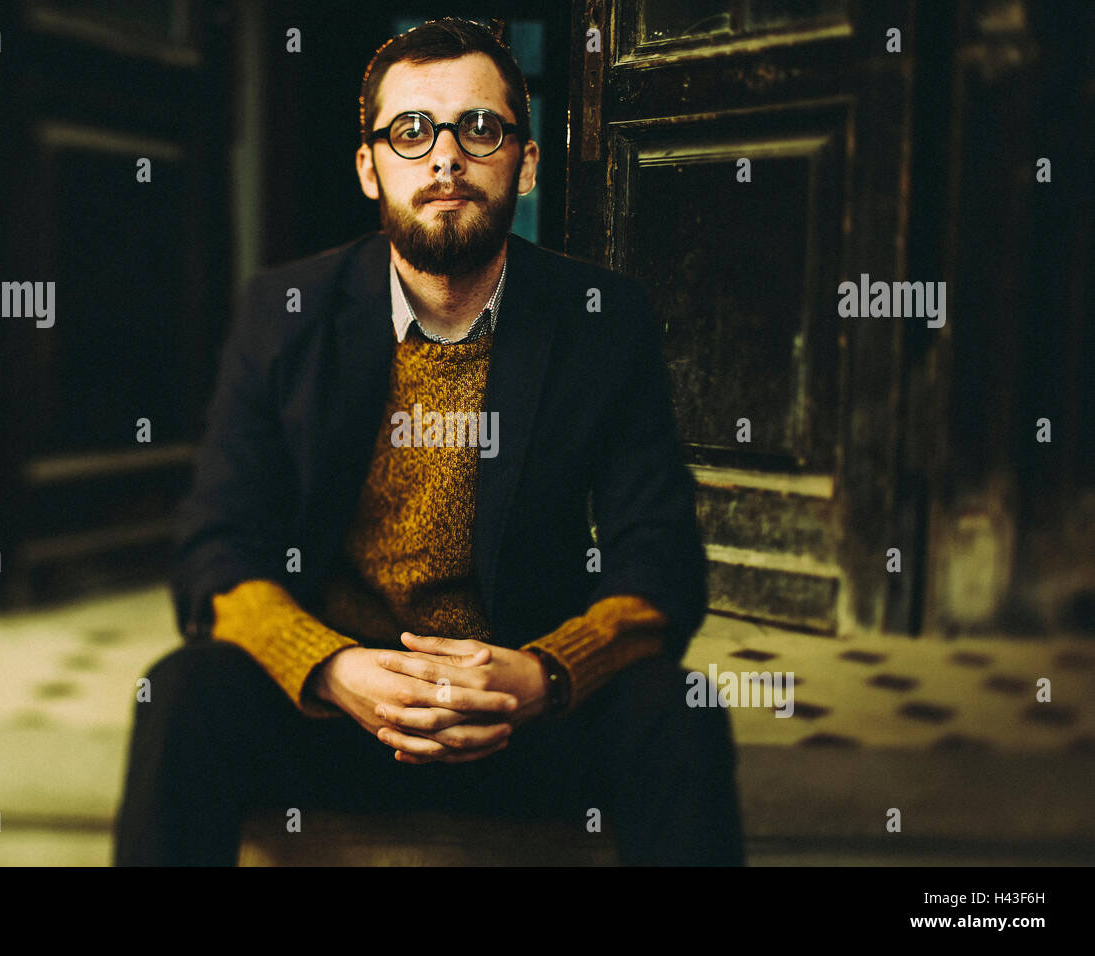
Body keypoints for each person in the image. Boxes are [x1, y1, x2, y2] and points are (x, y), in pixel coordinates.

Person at [114, 17, 744, 866]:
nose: (445, 158)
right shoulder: (285, 312)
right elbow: (217, 551)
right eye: (412, 132)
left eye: (479, 128)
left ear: (523, 163)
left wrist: (546, 675)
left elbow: (660, 564)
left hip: (521, 719)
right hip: (334, 718)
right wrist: (329, 668)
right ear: (371, 168)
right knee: (180, 692)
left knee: (681, 711)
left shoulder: (603, 321)